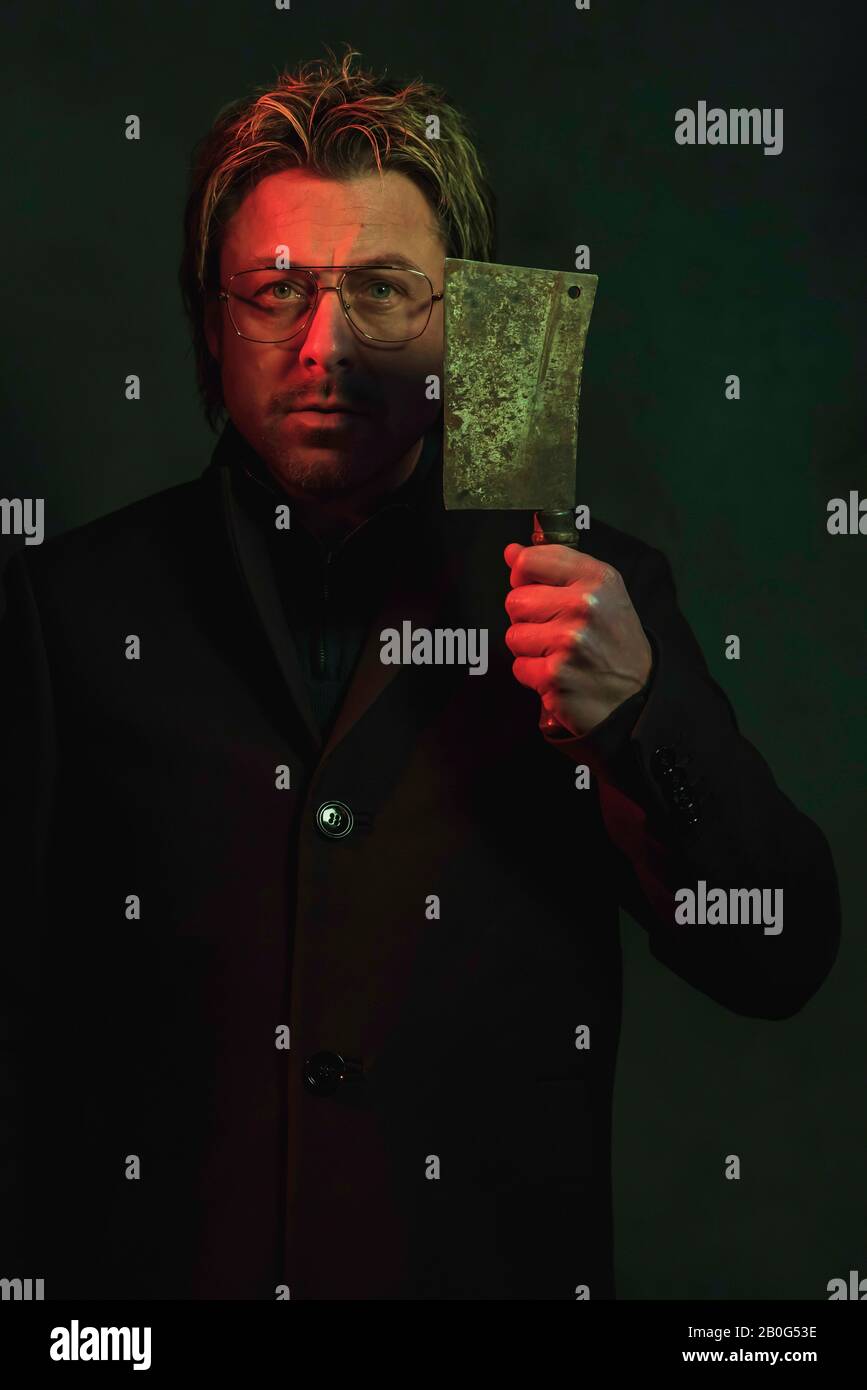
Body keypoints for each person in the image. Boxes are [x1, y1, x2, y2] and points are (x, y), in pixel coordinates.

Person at [0, 46, 840, 1300]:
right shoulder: (64, 609)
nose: (327, 343)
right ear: (212, 321)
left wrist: (642, 719)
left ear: (466, 323)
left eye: (387, 289)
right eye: (276, 290)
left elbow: (780, 952)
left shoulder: (593, 589)